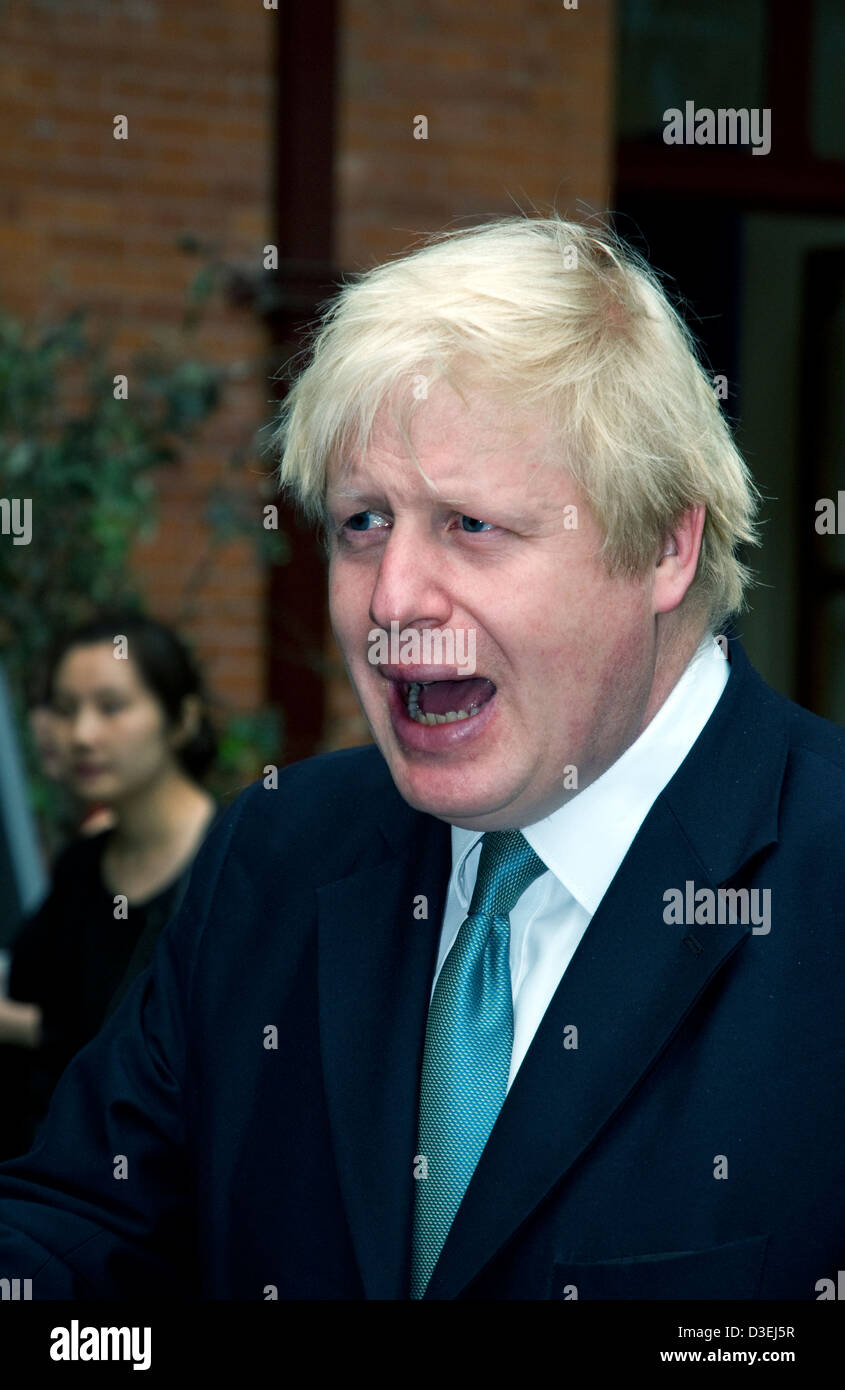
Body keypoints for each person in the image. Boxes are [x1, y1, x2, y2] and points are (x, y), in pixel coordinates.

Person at [0, 215, 843, 1299]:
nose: (390, 599)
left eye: (469, 525)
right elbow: (86, 1227)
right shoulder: (275, 852)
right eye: (362, 522)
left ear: (662, 546)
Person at [0, 613, 219, 1155]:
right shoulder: (83, 865)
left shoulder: (229, 864)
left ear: (181, 718)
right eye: (66, 710)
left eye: (111, 707)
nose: (82, 735)